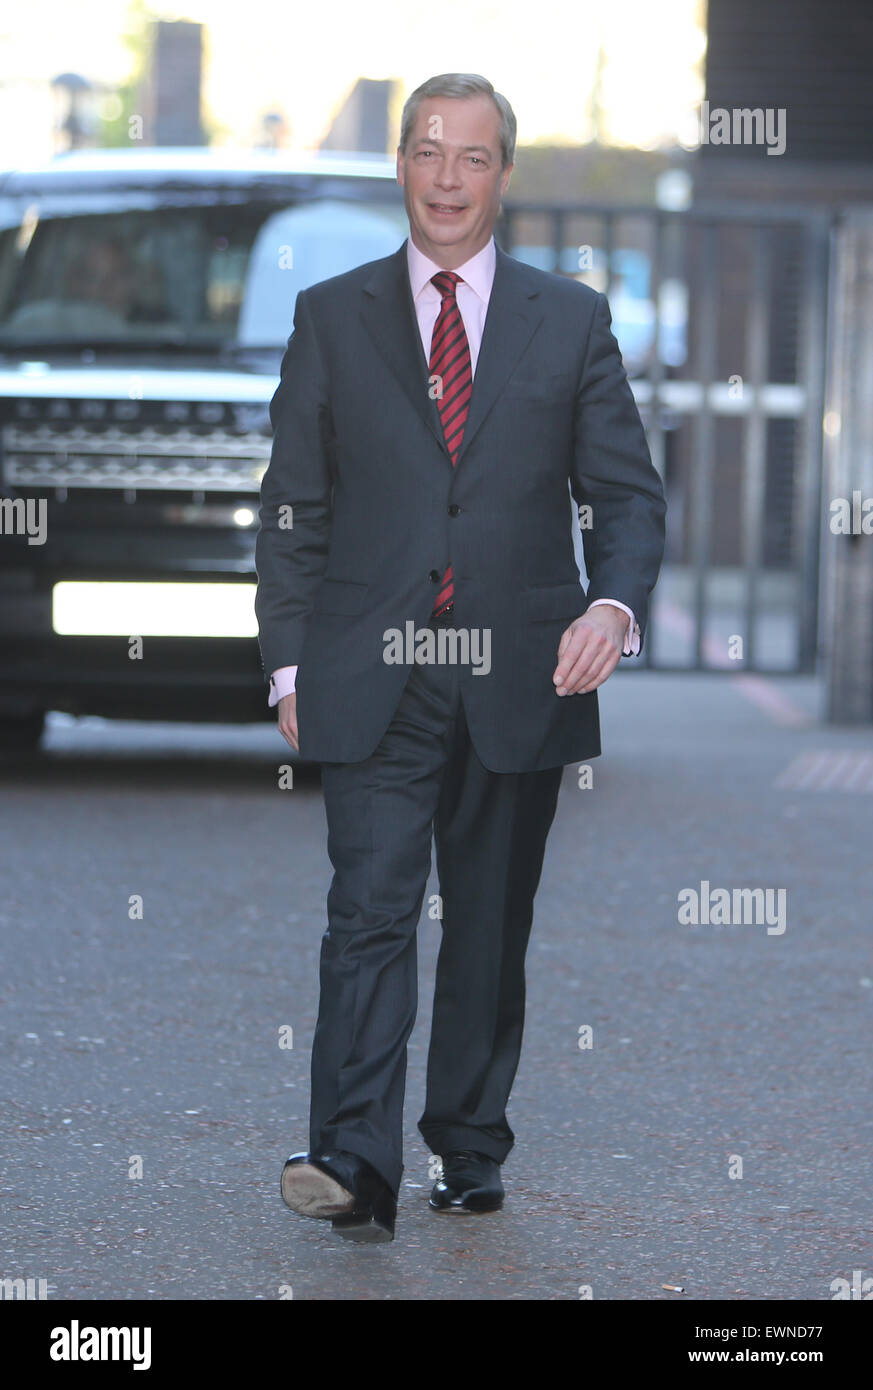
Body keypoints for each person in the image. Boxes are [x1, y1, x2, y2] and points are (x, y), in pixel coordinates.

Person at [255, 72, 666, 1243]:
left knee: (487, 921)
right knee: (369, 914)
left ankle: (470, 1144)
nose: (447, 177)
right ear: (400, 164)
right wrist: (289, 661)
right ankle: (353, 1160)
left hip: (523, 670)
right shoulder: (333, 316)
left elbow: (628, 500)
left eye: (472, 156)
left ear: (503, 173)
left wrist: (613, 610)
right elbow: (292, 506)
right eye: (429, 152)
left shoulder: (569, 319)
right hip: (370, 663)